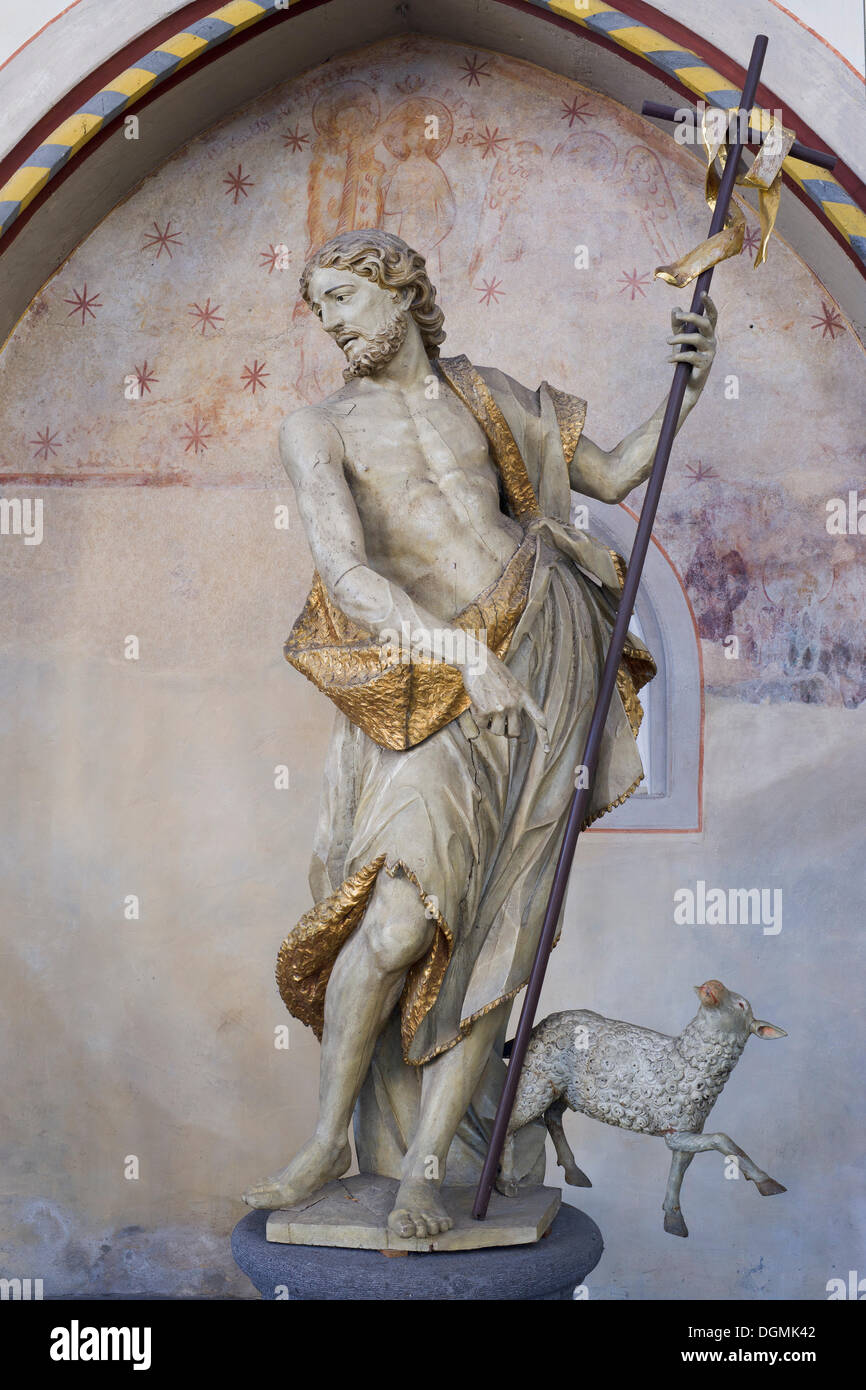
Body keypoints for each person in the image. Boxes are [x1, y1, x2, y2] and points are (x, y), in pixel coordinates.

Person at [243, 230, 716, 1238]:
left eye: (340, 297)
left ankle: (427, 1172)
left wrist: (691, 377)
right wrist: (458, 655)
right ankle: (331, 1134)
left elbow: (619, 471)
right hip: (439, 676)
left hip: (546, 658)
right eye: (318, 307)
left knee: (505, 929)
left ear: (400, 290)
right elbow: (346, 577)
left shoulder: (484, 393)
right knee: (398, 925)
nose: (328, 322)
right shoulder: (317, 426)